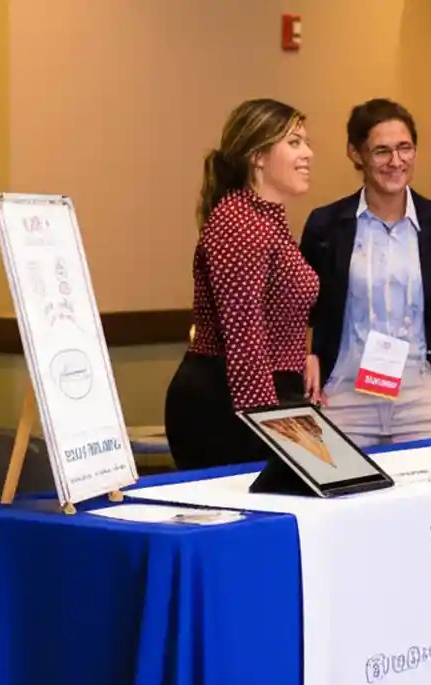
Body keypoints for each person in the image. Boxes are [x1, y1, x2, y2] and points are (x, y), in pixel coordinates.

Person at [299, 99, 431, 447]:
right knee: (340, 493)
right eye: (381, 151)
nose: (395, 162)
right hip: (346, 396)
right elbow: (303, 313)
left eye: (405, 148)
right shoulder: (326, 226)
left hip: (420, 394)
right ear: (356, 154)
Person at [163, 99, 318, 470]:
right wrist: (276, 429)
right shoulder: (238, 222)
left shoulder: (266, 218)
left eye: (306, 142)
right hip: (228, 402)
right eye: (294, 143)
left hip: (266, 395)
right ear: (257, 156)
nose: (308, 154)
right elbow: (244, 337)